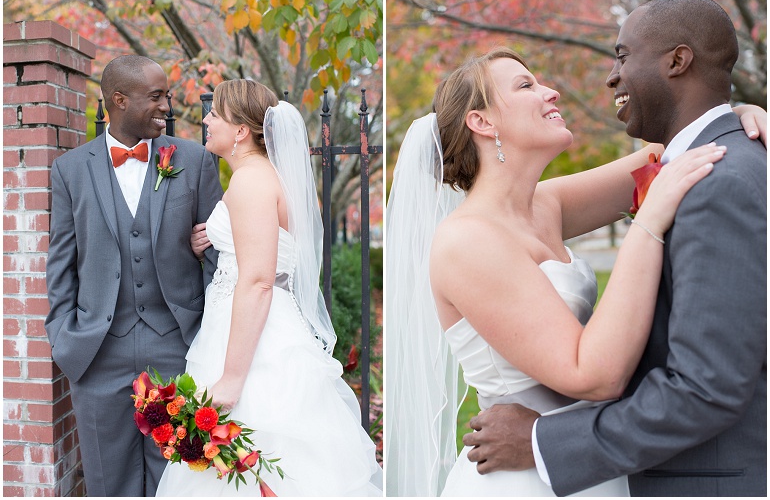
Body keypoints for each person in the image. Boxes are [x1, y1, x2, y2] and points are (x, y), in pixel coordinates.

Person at [384, 41, 766, 494]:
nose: (551, 93)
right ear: (482, 122)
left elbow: (677, 151)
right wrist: (648, 222)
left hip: (595, 462)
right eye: (527, 85)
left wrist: (738, 113)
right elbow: (594, 375)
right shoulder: (466, 241)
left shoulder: (546, 204)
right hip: (525, 475)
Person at [155, 79, 383, 496]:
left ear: (241, 130)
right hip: (245, 323)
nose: (206, 120)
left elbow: (258, 281)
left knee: (257, 458)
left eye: (215, 114)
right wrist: (211, 240)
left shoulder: (252, 181)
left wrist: (231, 379)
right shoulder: (260, 177)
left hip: (252, 341)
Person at [45, 55, 224, 496]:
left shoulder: (195, 160)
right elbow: (61, 264)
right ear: (119, 101)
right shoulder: (70, 170)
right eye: (157, 96)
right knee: (107, 483)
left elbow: (221, 258)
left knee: (182, 482)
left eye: (166, 95)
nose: (168, 104)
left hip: (178, 349)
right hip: (97, 353)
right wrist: (65, 339)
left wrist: (210, 338)